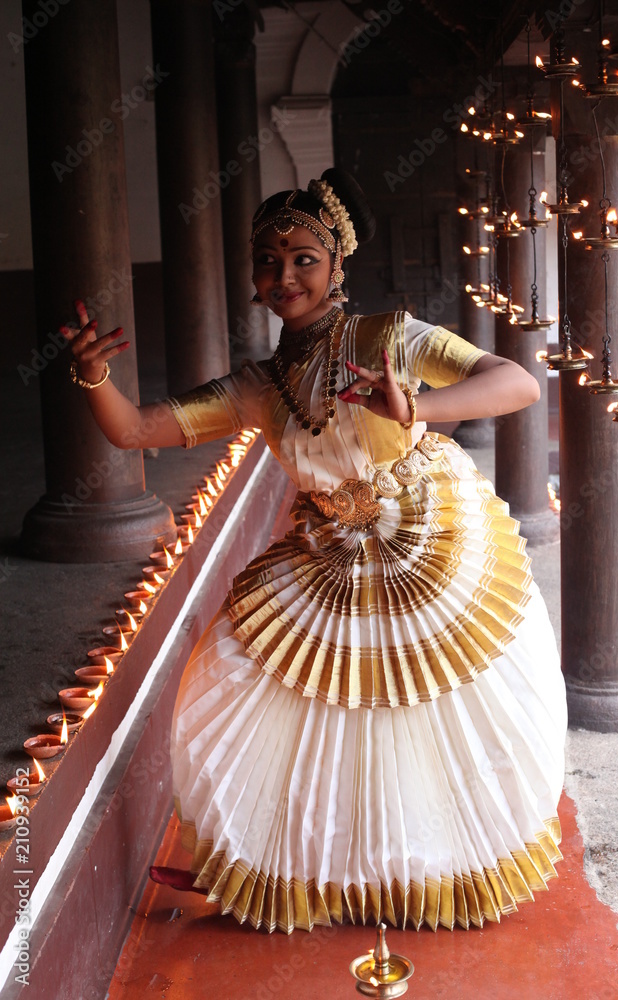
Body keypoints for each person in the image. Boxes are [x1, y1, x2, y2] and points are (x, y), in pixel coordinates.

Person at [63, 168, 567, 935]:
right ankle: (287, 859)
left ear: (336, 266)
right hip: (329, 546)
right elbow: (134, 430)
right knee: (240, 674)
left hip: (425, 543)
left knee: (422, 712)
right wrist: (93, 374)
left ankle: (430, 869)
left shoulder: (388, 339)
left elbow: (516, 383)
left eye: (303, 258)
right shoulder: (259, 386)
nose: (284, 276)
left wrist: (418, 406)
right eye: (268, 262)